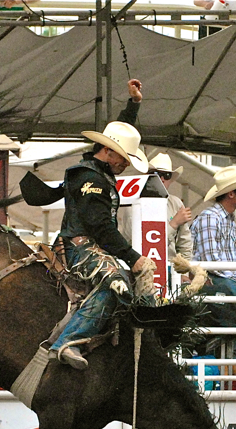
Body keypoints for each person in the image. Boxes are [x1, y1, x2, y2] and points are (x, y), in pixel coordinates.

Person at [49, 121, 150, 370]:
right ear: (108, 151)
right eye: (125, 158)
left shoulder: (93, 173)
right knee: (118, 285)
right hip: (80, 247)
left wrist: (132, 106)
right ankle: (67, 342)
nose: (126, 164)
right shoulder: (90, 178)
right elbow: (101, 227)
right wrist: (132, 257)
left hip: (88, 245)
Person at [191, 165, 236, 351]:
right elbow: (211, 262)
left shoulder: (228, 219)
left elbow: (226, 260)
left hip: (221, 277)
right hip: (209, 278)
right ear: (231, 194)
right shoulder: (211, 217)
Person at [148, 153, 194, 262]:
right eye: (157, 174)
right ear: (147, 176)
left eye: (167, 175)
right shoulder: (134, 204)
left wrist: (184, 273)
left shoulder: (176, 203)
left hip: (170, 268)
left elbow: (185, 243)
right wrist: (174, 224)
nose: (162, 179)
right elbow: (142, 243)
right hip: (143, 268)